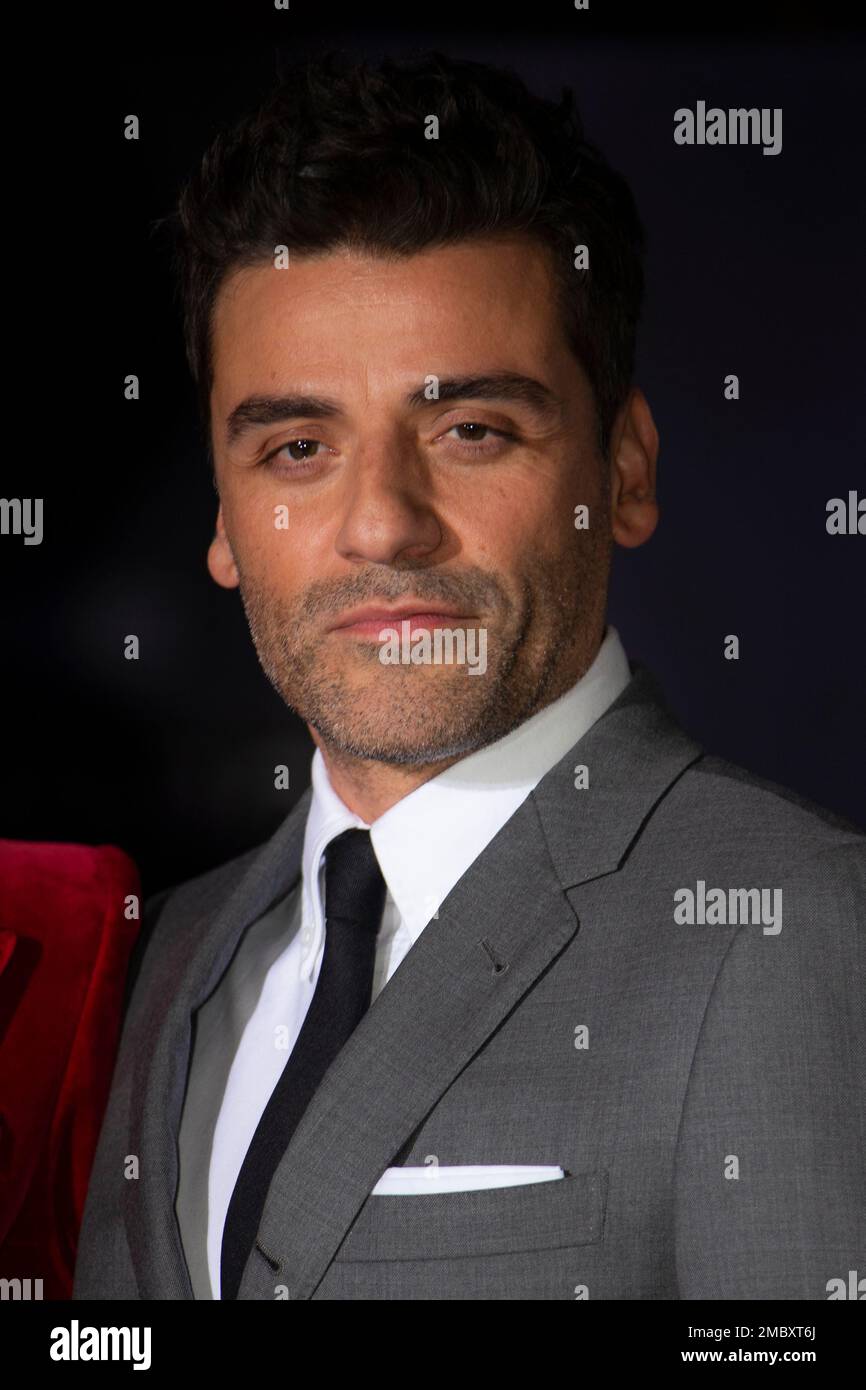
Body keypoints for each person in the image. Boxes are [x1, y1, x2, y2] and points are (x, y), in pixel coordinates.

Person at [73, 49, 865, 1301]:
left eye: (470, 430)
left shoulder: (797, 927)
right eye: (295, 447)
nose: (382, 523)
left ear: (626, 471)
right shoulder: (156, 958)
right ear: (222, 517)